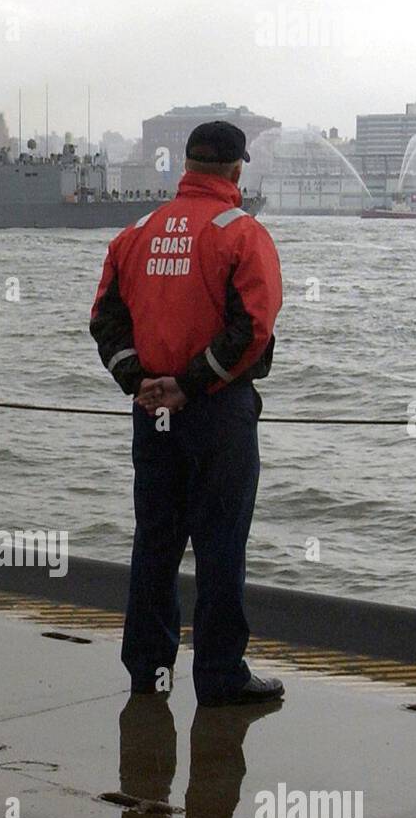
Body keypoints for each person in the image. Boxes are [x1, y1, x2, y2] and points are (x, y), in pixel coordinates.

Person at [90, 121, 284, 706]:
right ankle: (221, 676)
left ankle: (148, 670)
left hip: (151, 415)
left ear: (185, 164)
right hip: (217, 414)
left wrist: (142, 382)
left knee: (155, 540)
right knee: (221, 544)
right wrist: (191, 386)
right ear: (236, 169)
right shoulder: (242, 234)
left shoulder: (137, 232)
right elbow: (252, 328)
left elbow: (105, 319)